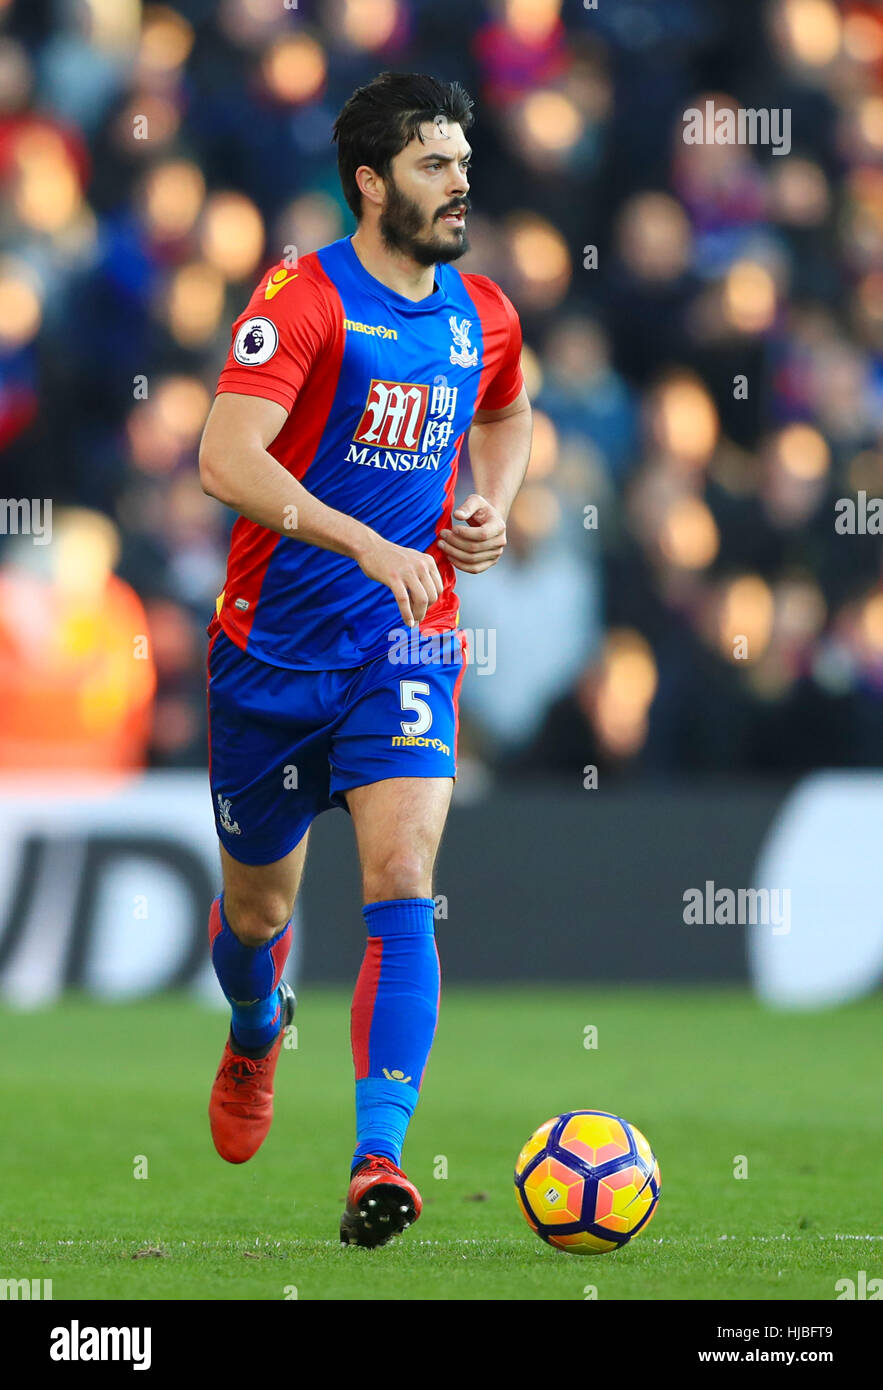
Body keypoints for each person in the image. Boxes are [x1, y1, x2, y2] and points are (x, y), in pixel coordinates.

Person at [198, 72, 532, 1247]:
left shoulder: (481, 311)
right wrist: (364, 538)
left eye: (462, 160)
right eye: (434, 164)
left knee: (402, 879)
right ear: (370, 182)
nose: (460, 182)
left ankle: (378, 1159)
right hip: (270, 652)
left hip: (405, 642)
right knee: (255, 911)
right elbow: (224, 457)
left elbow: (506, 408)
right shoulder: (302, 299)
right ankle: (253, 1033)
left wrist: (488, 505)